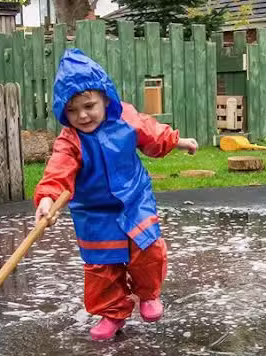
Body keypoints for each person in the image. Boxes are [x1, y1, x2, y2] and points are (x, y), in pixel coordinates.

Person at [33, 48, 198, 340]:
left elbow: (154, 134)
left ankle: (148, 294)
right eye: (72, 110)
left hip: (135, 199)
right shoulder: (69, 141)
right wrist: (48, 198)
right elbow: (58, 171)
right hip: (93, 211)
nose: (82, 116)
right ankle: (112, 313)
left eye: (88, 106)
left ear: (105, 98)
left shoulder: (126, 119)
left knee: (148, 249)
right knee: (101, 266)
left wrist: (179, 141)